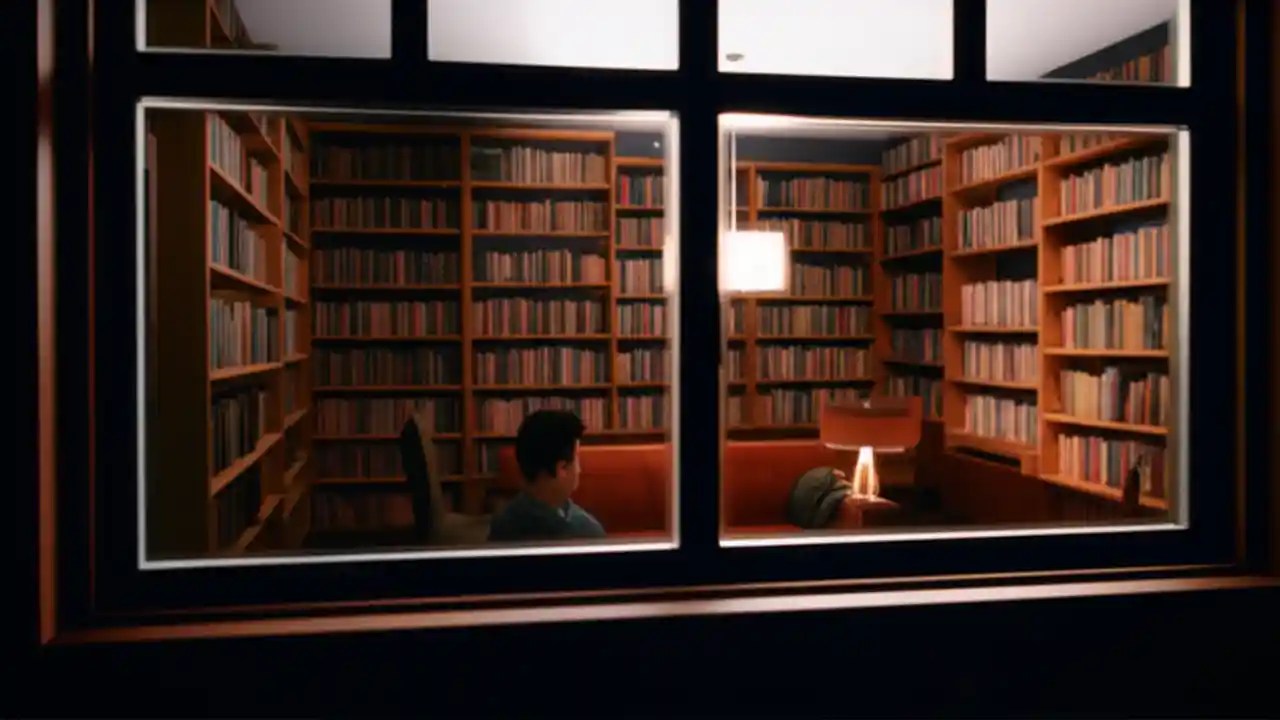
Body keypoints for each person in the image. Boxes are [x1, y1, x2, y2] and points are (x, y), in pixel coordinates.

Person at [488, 409, 606, 542]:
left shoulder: (502, 524)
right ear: (562, 468)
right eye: (577, 458)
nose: (579, 469)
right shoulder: (586, 532)